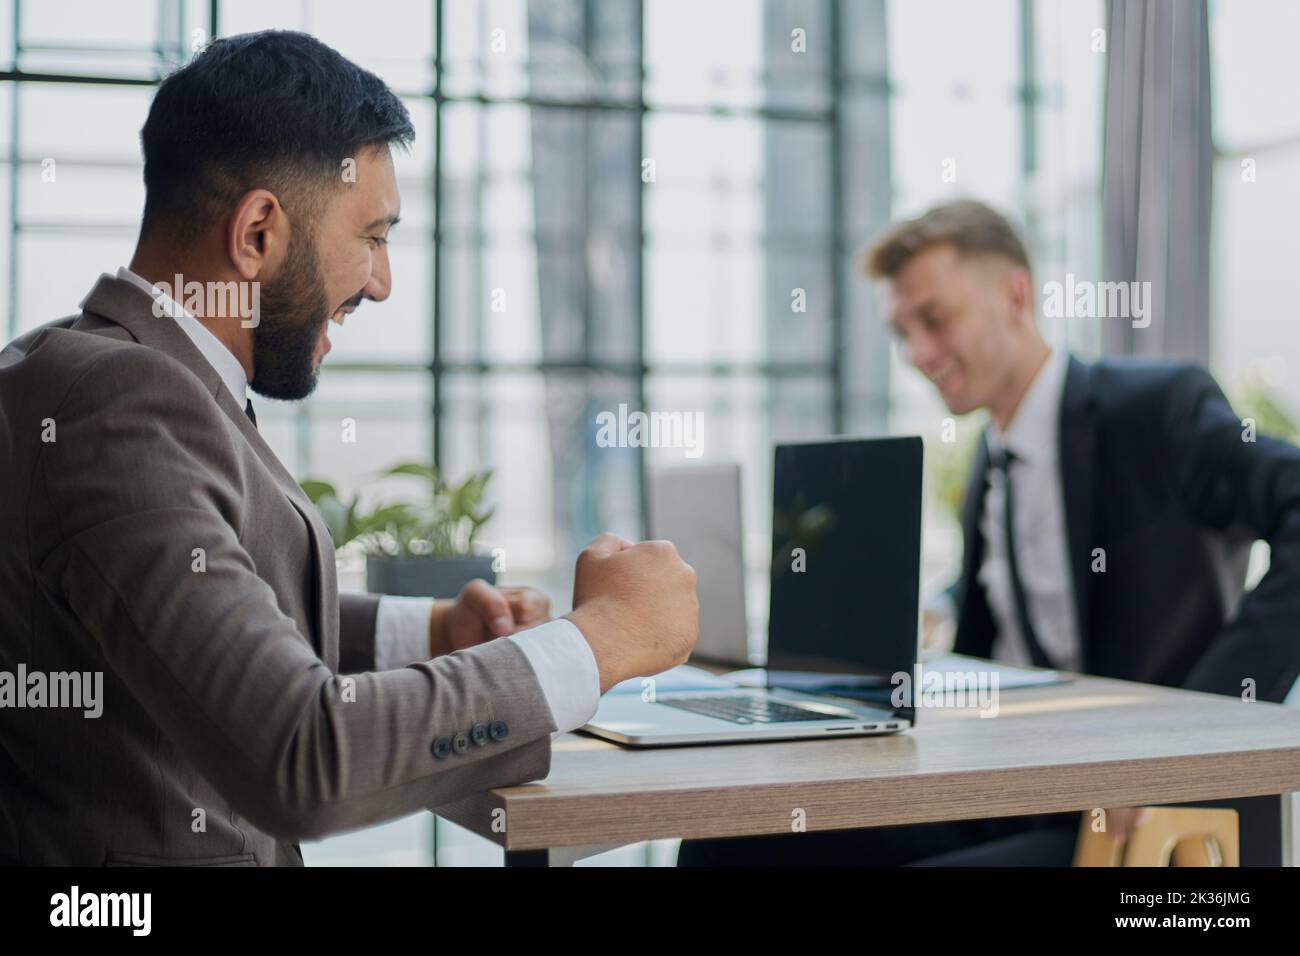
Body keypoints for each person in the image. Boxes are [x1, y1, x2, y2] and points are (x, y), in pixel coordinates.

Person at [0, 30, 698, 866]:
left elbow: (191, 617)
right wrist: (606, 637)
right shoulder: (119, 403)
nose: (381, 280)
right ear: (258, 232)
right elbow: (300, 754)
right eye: (372, 235)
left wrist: (431, 631)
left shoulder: (93, 367)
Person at [680, 199, 1300, 866]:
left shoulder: (1153, 408)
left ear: (1015, 294)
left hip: (1131, 813)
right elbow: (1015, 585)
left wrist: (1195, 732)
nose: (918, 353)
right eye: (901, 332)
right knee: (728, 849)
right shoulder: (990, 459)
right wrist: (937, 607)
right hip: (1018, 781)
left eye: (936, 319)